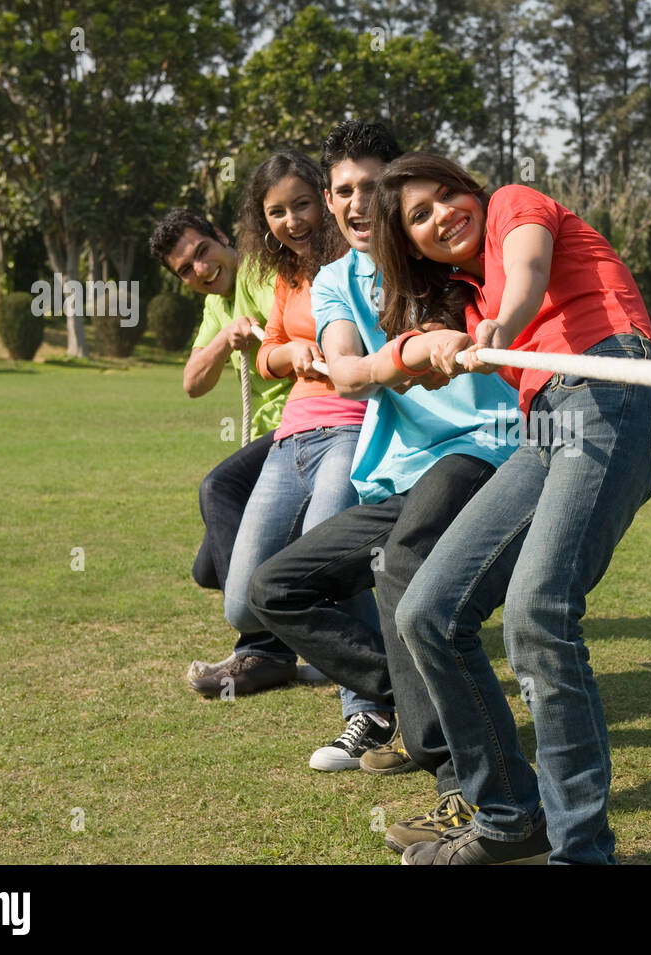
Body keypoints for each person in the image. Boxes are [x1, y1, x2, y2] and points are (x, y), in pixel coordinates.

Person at [370, 153, 651, 864]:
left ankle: (581, 852)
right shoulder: (464, 298)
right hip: (548, 424)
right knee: (428, 611)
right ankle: (511, 818)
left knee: (537, 613)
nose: (443, 212)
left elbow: (531, 270)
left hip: (612, 392)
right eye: (420, 215)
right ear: (411, 246)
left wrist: (500, 328)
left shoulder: (512, 204)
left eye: (447, 193)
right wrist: (427, 340)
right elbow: (367, 374)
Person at [244, 122, 519, 848]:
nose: (357, 203)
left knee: (404, 565)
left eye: (372, 187)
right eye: (343, 191)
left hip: (479, 451)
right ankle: (418, 690)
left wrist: (449, 336)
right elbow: (343, 360)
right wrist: (385, 356)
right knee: (275, 589)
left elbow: (480, 306)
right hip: (396, 474)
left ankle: (460, 783)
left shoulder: (436, 260)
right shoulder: (334, 280)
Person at [223, 150, 396, 766]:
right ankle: (348, 659)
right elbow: (267, 352)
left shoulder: (363, 262)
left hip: (352, 429)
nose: (293, 221)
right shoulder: (290, 275)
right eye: (277, 211)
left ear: (322, 201)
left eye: (301, 204)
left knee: (331, 568)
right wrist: (293, 351)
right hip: (292, 435)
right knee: (242, 601)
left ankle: (370, 711)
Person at [149, 209, 302, 697]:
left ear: (220, 237)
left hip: (302, 425)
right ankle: (289, 621)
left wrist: (256, 332)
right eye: (185, 270)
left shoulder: (259, 270)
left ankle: (264, 648)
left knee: (219, 487)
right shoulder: (215, 307)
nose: (200, 269)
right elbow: (193, 382)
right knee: (210, 569)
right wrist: (224, 337)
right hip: (268, 439)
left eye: (202, 252)